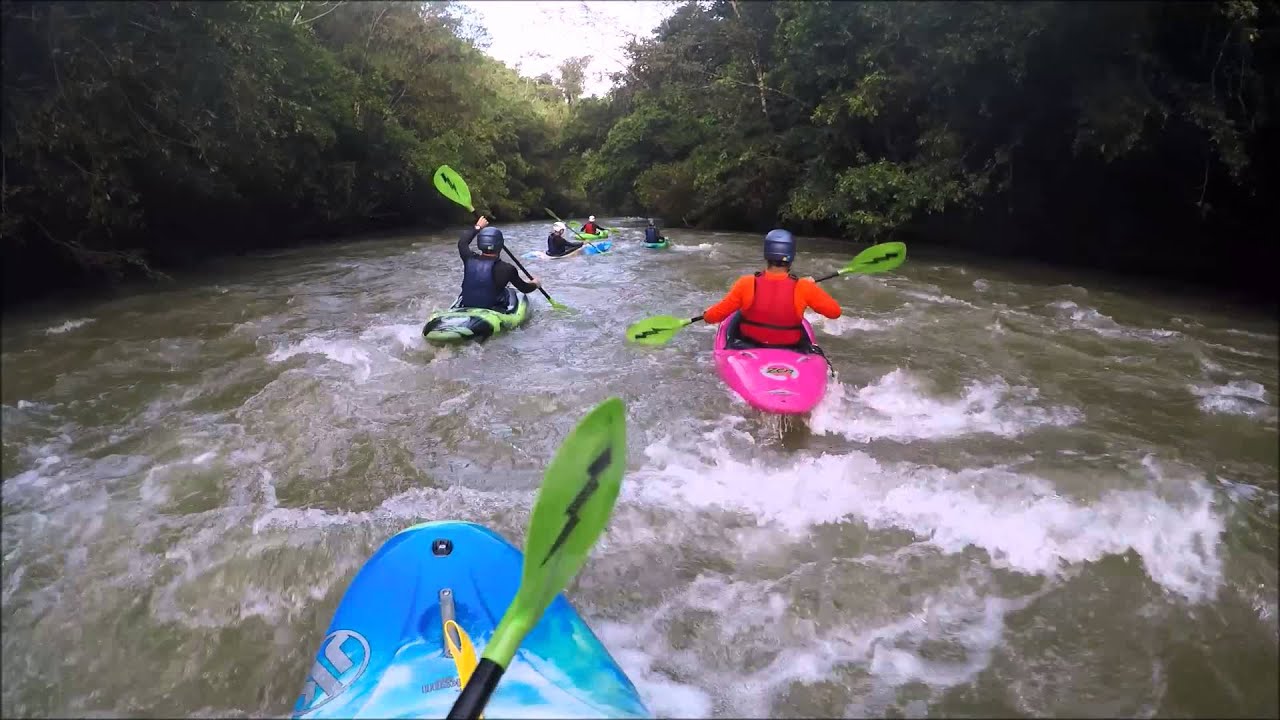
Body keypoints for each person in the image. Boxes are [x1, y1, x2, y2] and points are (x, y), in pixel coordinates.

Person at [701, 229, 841, 348]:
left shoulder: (746, 283)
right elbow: (835, 312)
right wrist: (813, 289)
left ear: (766, 254)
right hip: (789, 348)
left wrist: (707, 314)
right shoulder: (803, 287)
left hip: (750, 345)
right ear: (791, 256)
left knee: (739, 313)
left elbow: (712, 317)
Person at [457, 216, 540, 309]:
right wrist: (535, 284)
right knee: (510, 292)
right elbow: (524, 288)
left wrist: (478, 227)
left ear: (480, 243)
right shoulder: (508, 268)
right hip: (492, 308)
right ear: (500, 245)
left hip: (467, 304)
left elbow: (462, 243)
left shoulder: (469, 259)